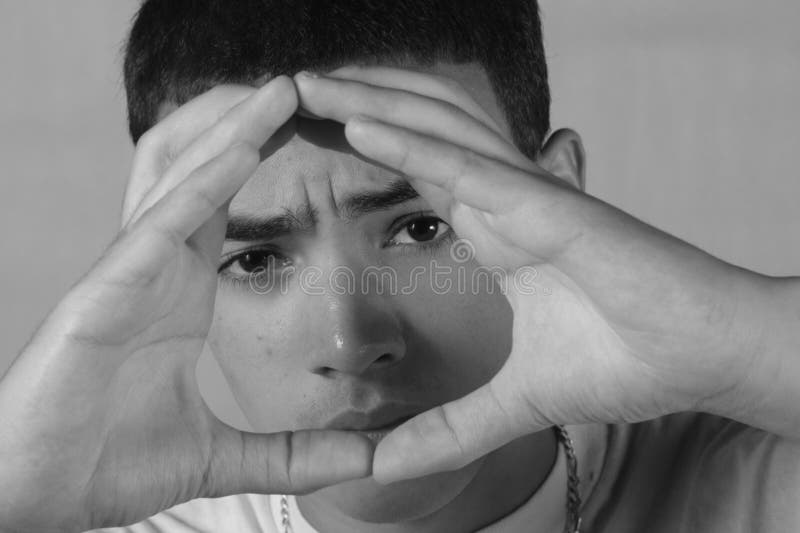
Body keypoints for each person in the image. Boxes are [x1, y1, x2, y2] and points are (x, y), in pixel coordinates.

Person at [0, 1, 798, 532]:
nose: (351, 343)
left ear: (564, 195)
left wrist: (741, 336)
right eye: (255, 258)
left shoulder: (754, 480)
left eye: (420, 226)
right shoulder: (78, 512)